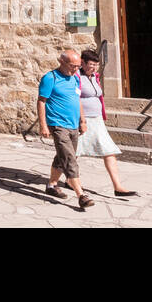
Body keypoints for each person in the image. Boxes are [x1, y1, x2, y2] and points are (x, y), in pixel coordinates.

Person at [71, 49, 136, 198]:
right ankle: (66, 180)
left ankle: (117, 186)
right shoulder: (76, 77)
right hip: (82, 120)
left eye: (96, 65)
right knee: (73, 153)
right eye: (91, 64)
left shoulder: (95, 77)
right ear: (82, 63)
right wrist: (82, 120)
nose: (94, 68)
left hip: (97, 120)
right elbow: (74, 99)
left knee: (108, 150)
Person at [37, 49, 94, 209]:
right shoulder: (50, 78)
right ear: (62, 62)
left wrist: (82, 121)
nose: (76, 69)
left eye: (78, 66)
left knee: (63, 156)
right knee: (70, 159)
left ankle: (51, 185)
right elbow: (41, 101)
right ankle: (81, 195)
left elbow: (77, 100)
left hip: (73, 124)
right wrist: (43, 125)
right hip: (58, 124)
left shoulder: (75, 78)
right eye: (73, 66)